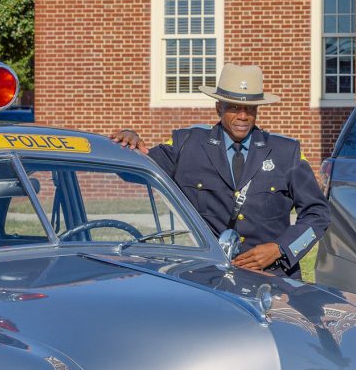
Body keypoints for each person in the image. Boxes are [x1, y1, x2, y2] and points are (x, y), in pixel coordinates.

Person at [111, 64, 328, 276]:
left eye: (250, 108)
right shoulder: (186, 145)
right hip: (206, 276)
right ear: (219, 108)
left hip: (273, 276)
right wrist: (128, 140)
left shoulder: (285, 152)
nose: (243, 116)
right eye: (233, 107)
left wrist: (281, 249)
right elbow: (133, 170)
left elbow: (318, 214)